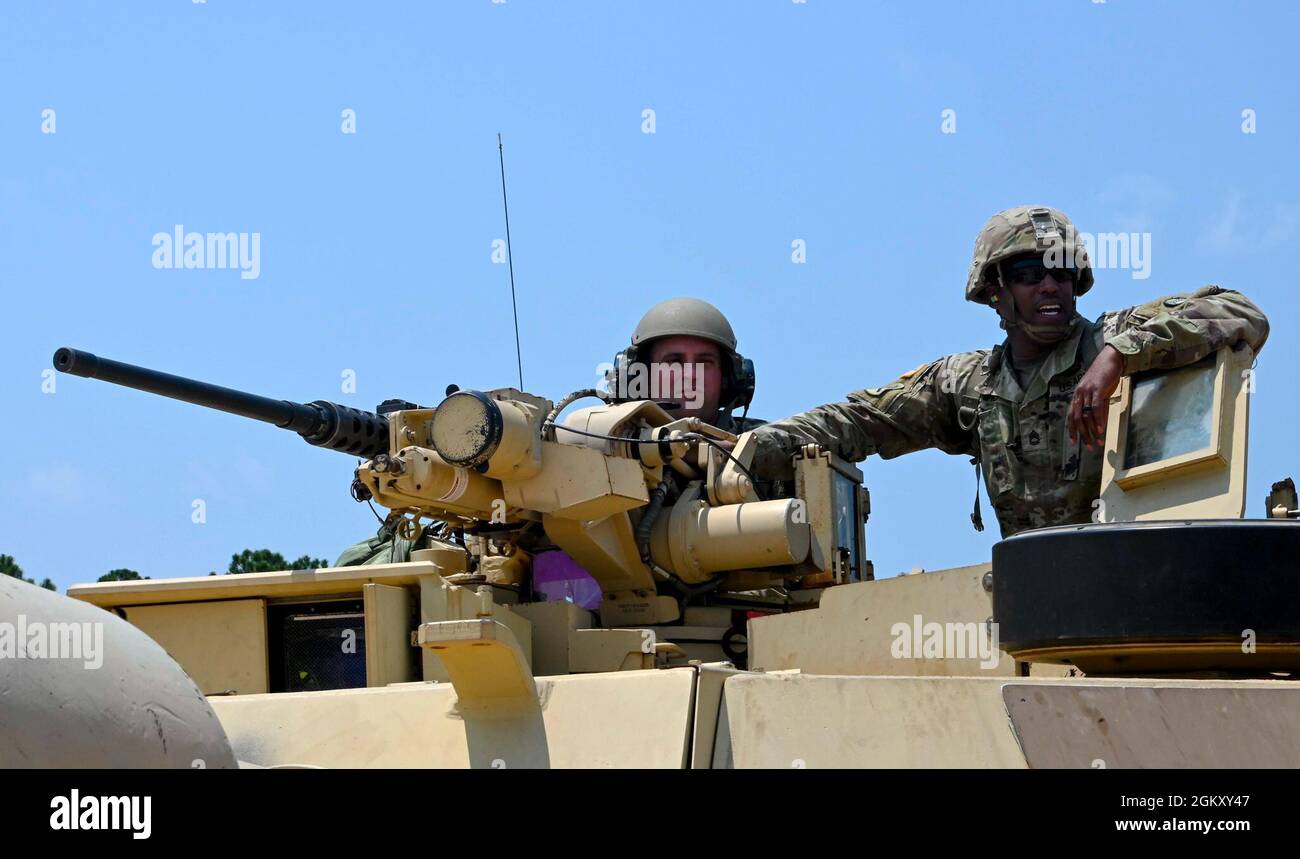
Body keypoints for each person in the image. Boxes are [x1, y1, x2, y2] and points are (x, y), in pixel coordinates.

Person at [747, 205, 1270, 538]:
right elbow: (856, 420)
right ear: (994, 290)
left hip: (1124, 581)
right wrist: (743, 449)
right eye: (1028, 274)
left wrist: (1119, 356)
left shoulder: (1111, 338)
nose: (1050, 285)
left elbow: (1241, 312)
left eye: (1061, 270)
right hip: (1033, 599)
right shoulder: (968, 384)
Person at [335, 297, 762, 566]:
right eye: (670, 359)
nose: (681, 376)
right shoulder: (586, 443)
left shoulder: (757, 452)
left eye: (702, 363)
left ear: (729, 381)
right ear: (638, 374)